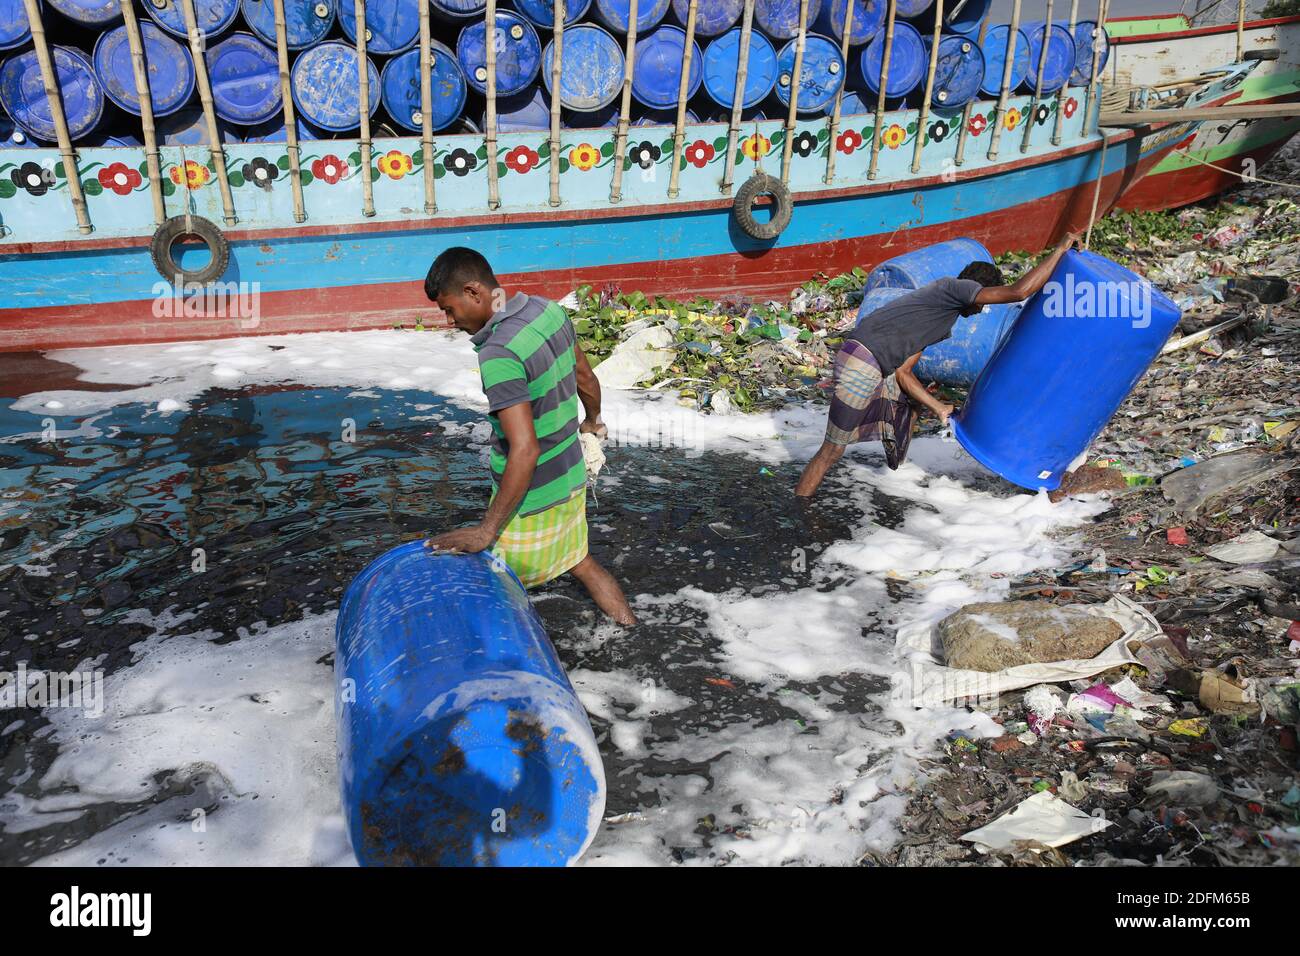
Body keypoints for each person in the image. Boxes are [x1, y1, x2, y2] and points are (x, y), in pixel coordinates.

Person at [422, 247, 637, 626]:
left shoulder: (498, 352)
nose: (450, 321)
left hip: (531, 497)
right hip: (570, 478)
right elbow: (584, 376)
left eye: (449, 309)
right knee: (580, 561)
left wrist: (487, 530)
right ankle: (632, 631)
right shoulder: (546, 309)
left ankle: (517, 673)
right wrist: (593, 421)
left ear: (474, 292)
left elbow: (525, 449)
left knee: (494, 587)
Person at [795, 232, 1081, 497]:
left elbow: (905, 374)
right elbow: (1019, 292)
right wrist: (1059, 250)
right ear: (978, 289)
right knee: (832, 449)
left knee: (909, 403)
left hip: (874, 362)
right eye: (984, 301)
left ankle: (895, 473)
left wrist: (940, 408)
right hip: (865, 359)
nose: (983, 309)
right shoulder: (954, 288)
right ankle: (801, 513)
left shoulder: (941, 318)